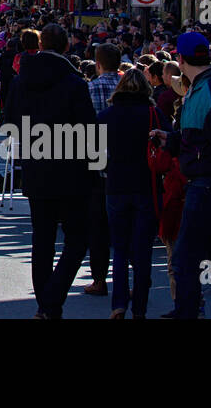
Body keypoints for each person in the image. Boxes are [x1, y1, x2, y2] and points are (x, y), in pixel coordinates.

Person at [149, 32, 211, 319]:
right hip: (207, 182)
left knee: (184, 259)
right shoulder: (205, 87)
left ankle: (188, 313)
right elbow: (203, 139)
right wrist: (170, 140)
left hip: (206, 184)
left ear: (180, 59)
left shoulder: (209, 90)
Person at [2, 23, 96, 319]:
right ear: (67, 47)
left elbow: (11, 123)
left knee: (41, 241)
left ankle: (47, 304)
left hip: (36, 166)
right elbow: (88, 131)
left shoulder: (21, 81)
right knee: (77, 240)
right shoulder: (75, 83)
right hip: (70, 171)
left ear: (40, 45)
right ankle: (51, 300)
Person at [97, 69, 171, 319]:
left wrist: (108, 166)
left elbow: (92, 153)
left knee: (119, 248)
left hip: (116, 185)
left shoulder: (107, 115)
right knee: (142, 251)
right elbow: (170, 145)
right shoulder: (154, 114)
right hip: (147, 185)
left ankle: (118, 303)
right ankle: (139, 307)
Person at [84, 43, 123, 298]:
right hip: (128, 163)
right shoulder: (130, 85)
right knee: (125, 225)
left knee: (98, 225)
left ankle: (100, 278)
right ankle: (129, 279)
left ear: (98, 64)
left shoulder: (92, 87)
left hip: (98, 162)